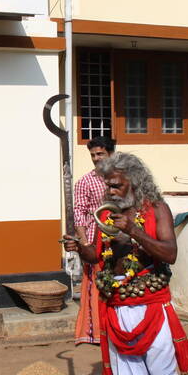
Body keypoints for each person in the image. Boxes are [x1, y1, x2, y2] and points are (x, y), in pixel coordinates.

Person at [62, 153, 188, 375]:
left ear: (135, 183)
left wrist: (135, 231)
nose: (111, 191)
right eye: (108, 186)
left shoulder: (157, 210)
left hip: (151, 305)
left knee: (163, 371)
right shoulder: (107, 216)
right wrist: (80, 248)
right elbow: (97, 258)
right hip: (116, 306)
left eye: (117, 186)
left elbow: (169, 254)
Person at [71, 136, 115, 346]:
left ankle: (118, 328)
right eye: (93, 155)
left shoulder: (122, 178)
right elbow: (78, 213)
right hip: (95, 240)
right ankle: (96, 332)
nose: (96, 158)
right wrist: (84, 243)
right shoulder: (85, 182)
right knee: (96, 287)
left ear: (111, 154)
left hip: (120, 238)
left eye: (100, 154)